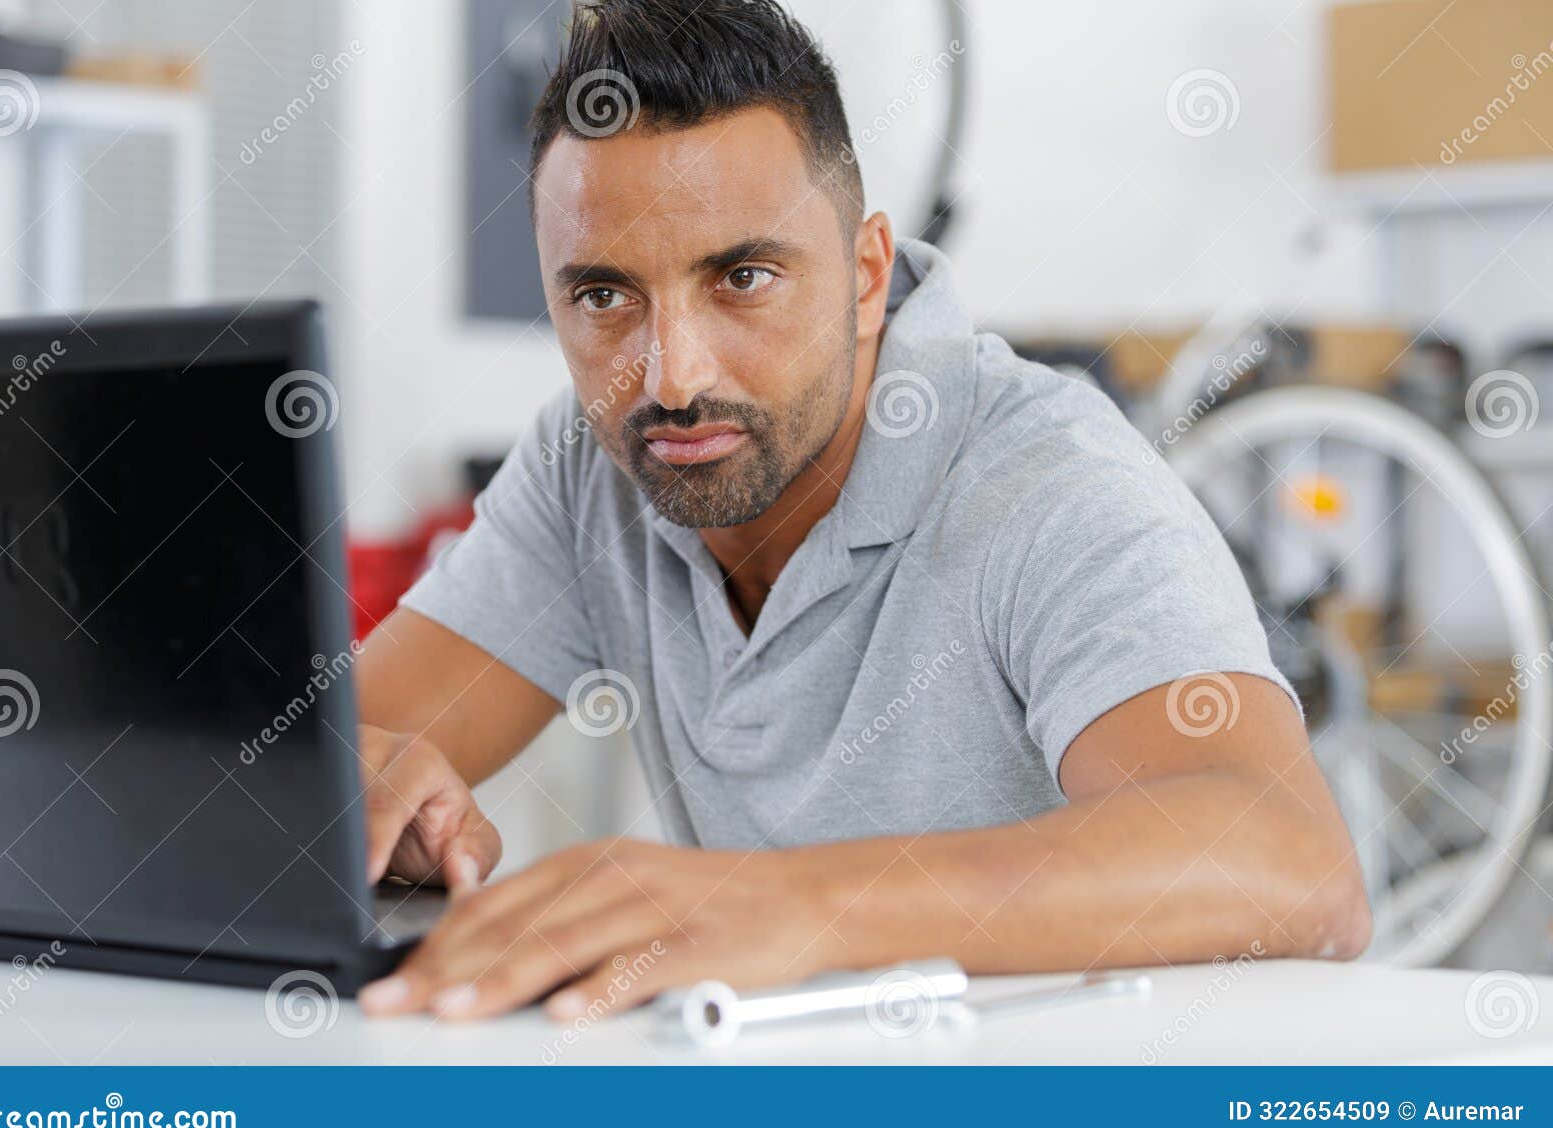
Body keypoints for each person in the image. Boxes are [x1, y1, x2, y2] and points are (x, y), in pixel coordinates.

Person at [354, 0, 1370, 1022]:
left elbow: (1287, 859)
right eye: (605, 297)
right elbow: (329, 758)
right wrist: (365, 792)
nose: (672, 377)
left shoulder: (1048, 479)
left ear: (867, 274)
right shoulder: (590, 466)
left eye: (743, 278)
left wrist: (794, 902)